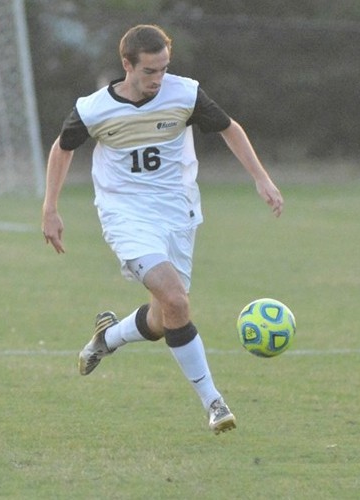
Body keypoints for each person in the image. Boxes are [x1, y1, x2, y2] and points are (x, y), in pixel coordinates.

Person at [41, 24, 283, 434]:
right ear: (127, 66)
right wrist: (51, 207)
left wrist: (261, 178)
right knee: (175, 298)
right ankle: (214, 402)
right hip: (126, 214)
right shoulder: (95, 109)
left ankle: (109, 336)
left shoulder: (184, 93)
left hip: (178, 212)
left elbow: (229, 128)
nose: (158, 80)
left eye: (164, 69)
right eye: (150, 71)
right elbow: (62, 148)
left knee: (169, 313)